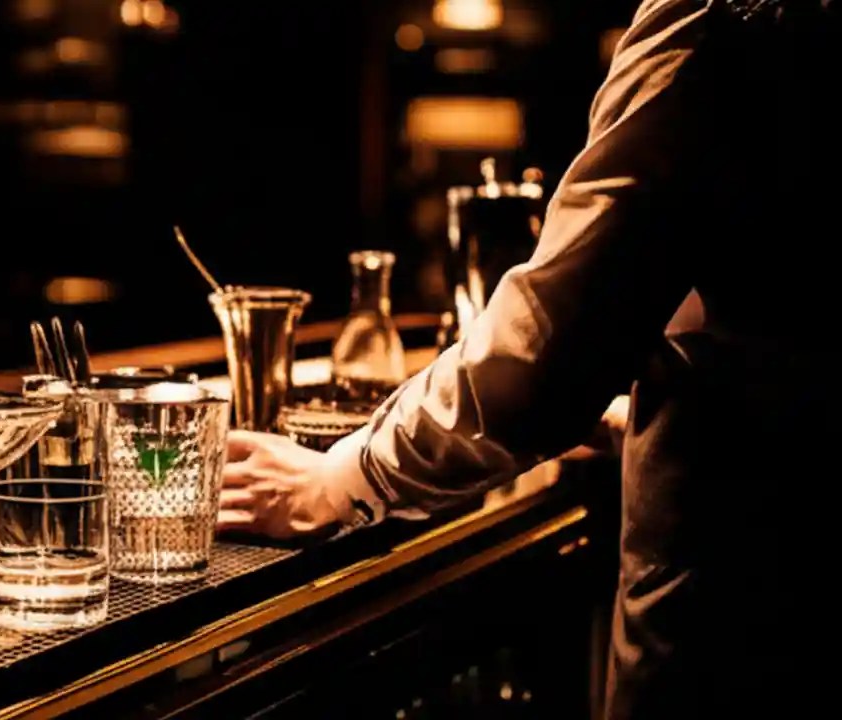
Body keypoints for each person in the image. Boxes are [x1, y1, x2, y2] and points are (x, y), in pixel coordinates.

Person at [218, 1, 841, 717]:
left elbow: (553, 343)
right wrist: (629, 414)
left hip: (746, 607)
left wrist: (340, 480)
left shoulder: (715, 14)